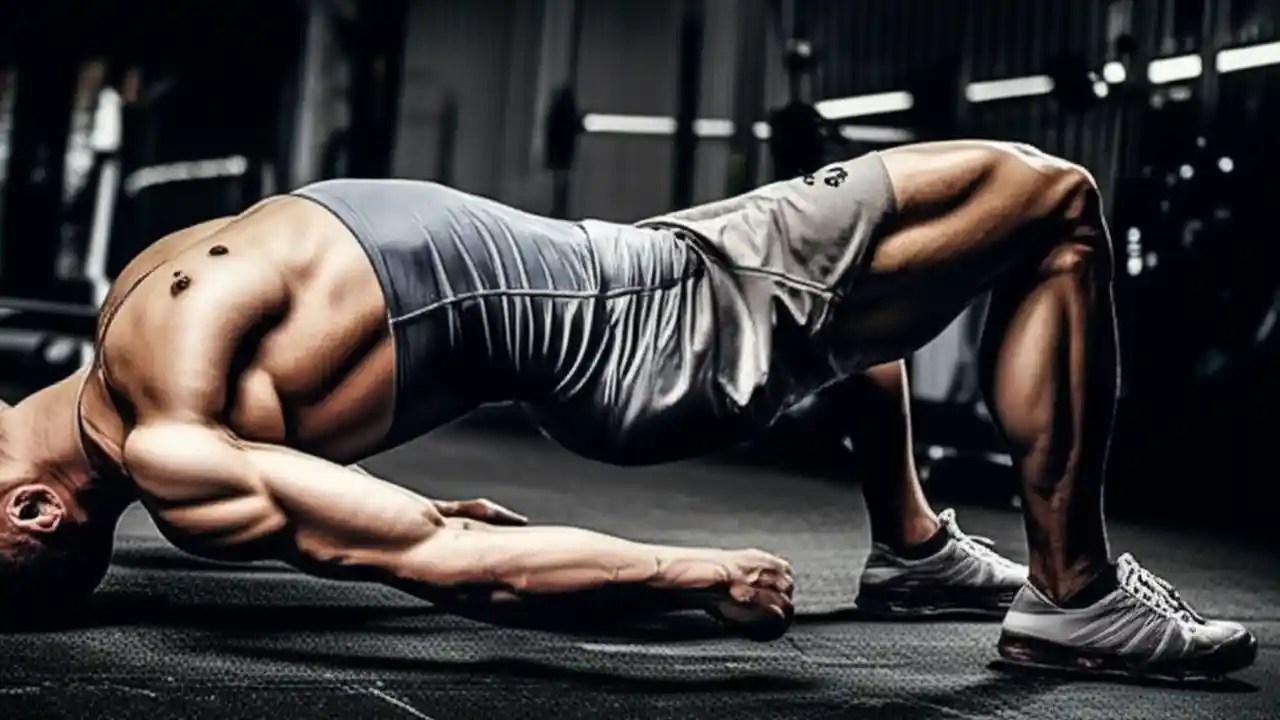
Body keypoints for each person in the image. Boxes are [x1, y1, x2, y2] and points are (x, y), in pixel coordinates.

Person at [0, 140, 1255, 680]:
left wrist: (408, 499)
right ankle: (1075, 599)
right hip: (650, 328)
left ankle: (912, 550)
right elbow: (453, 566)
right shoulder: (172, 442)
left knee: (871, 313)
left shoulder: (131, 320)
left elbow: (392, 501)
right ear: (40, 511)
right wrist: (685, 566)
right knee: (1051, 203)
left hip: (642, 269)